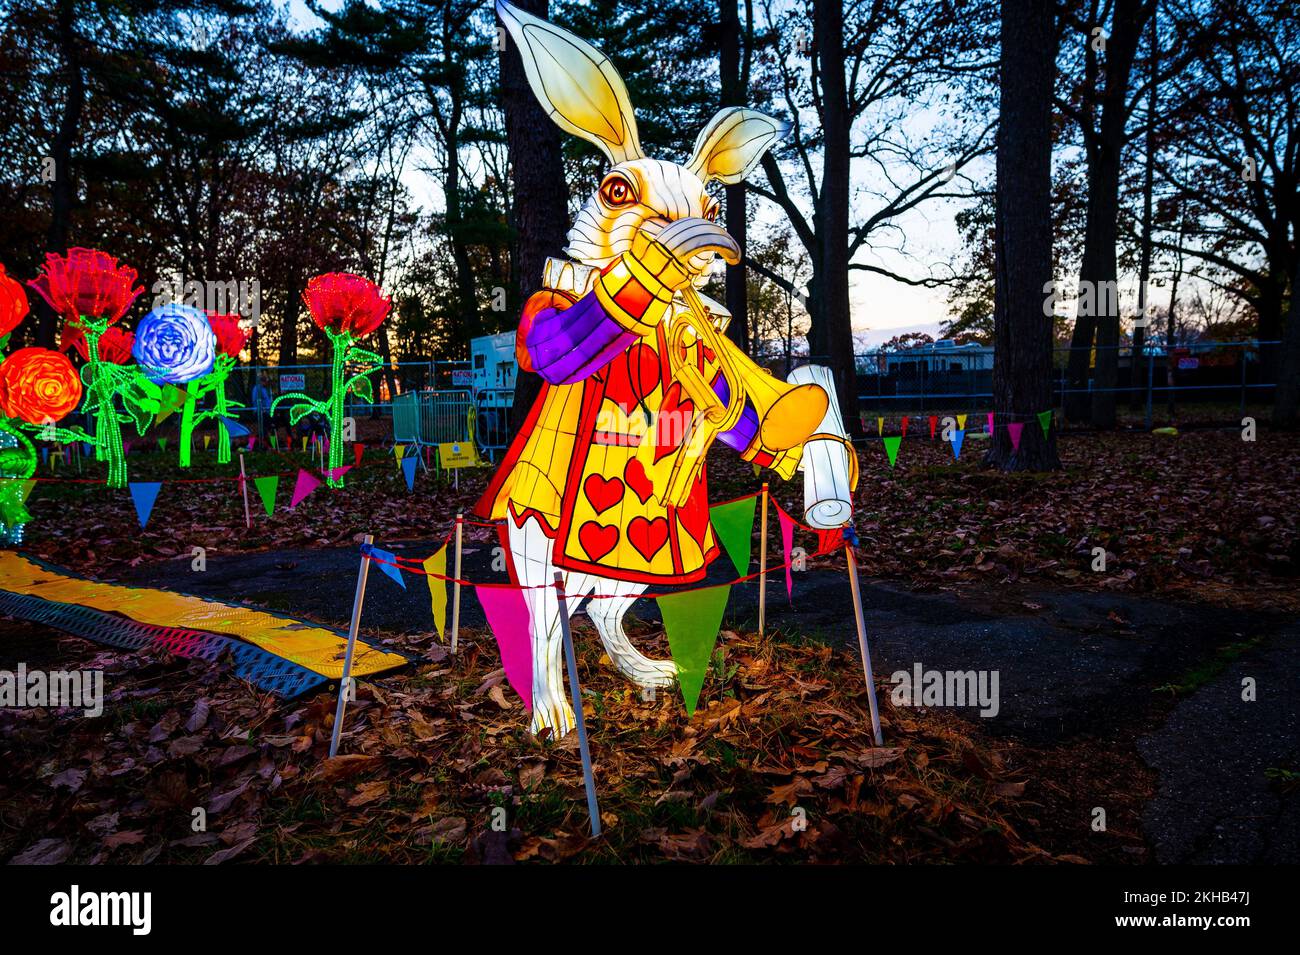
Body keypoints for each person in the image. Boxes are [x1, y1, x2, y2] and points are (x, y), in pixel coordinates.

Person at [252, 374, 274, 443]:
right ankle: (263, 443)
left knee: (270, 427)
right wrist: (262, 408)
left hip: (267, 412)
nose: (266, 383)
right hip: (260, 412)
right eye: (264, 381)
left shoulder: (266, 389)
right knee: (264, 428)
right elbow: (255, 400)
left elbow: (269, 400)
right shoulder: (257, 388)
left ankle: (271, 444)